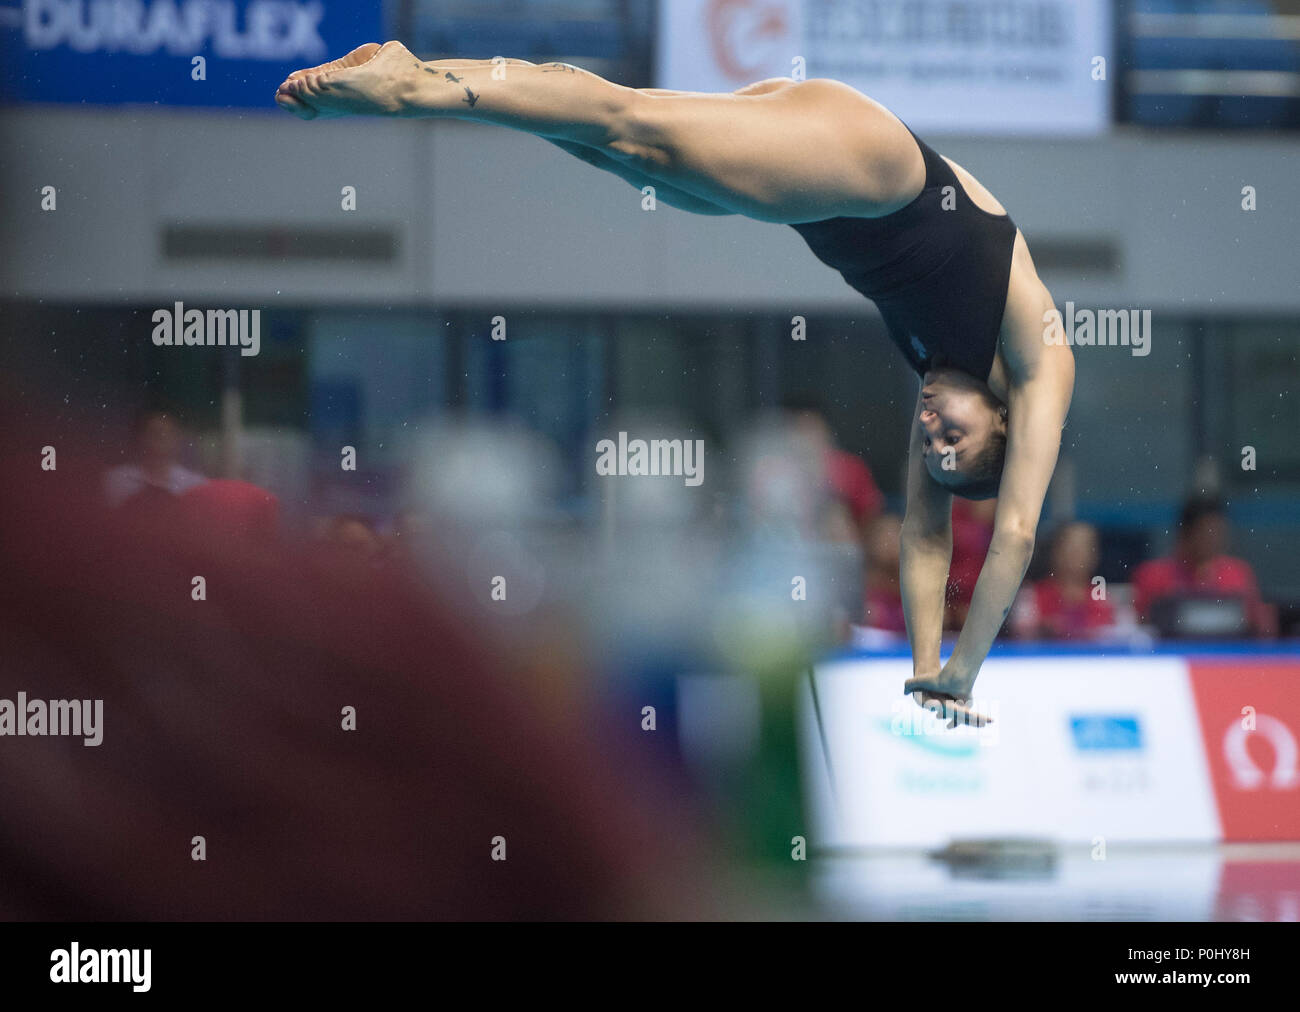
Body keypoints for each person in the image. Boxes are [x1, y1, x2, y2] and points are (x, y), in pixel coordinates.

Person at [275, 42, 1077, 726]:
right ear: (1003, 423)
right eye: (953, 438)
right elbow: (1011, 534)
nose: (931, 427)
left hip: (825, 197)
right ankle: (410, 83)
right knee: (629, 126)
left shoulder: (943, 379)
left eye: (934, 444)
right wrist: (970, 669)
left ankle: (427, 81)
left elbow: (927, 534)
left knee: (616, 152)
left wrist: (928, 667)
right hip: (870, 163)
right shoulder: (1038, 357)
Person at [1132, 496, 1272, 637]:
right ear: (1186, 533)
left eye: (1219, 532)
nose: (1214, 540)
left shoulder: (1238, 573)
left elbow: (1261, 627)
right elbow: (1140, 629)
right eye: (1206, 532)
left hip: (1227, 656)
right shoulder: (1154, 575)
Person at [1010, 521, 1116, 640]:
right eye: (1071, 547)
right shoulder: (1031, 595)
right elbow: (1022, 639)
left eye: (1084, 547)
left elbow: (1110, 637)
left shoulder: (1101, 597)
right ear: (1055, 551)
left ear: (1095, 556)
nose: (1077, 554)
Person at [104, 405, 207, 508]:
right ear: (141, 436)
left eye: (168, 433)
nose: (161, 438)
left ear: (177, 437)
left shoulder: (195, 484)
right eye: (155, 432)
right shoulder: (116, 480)